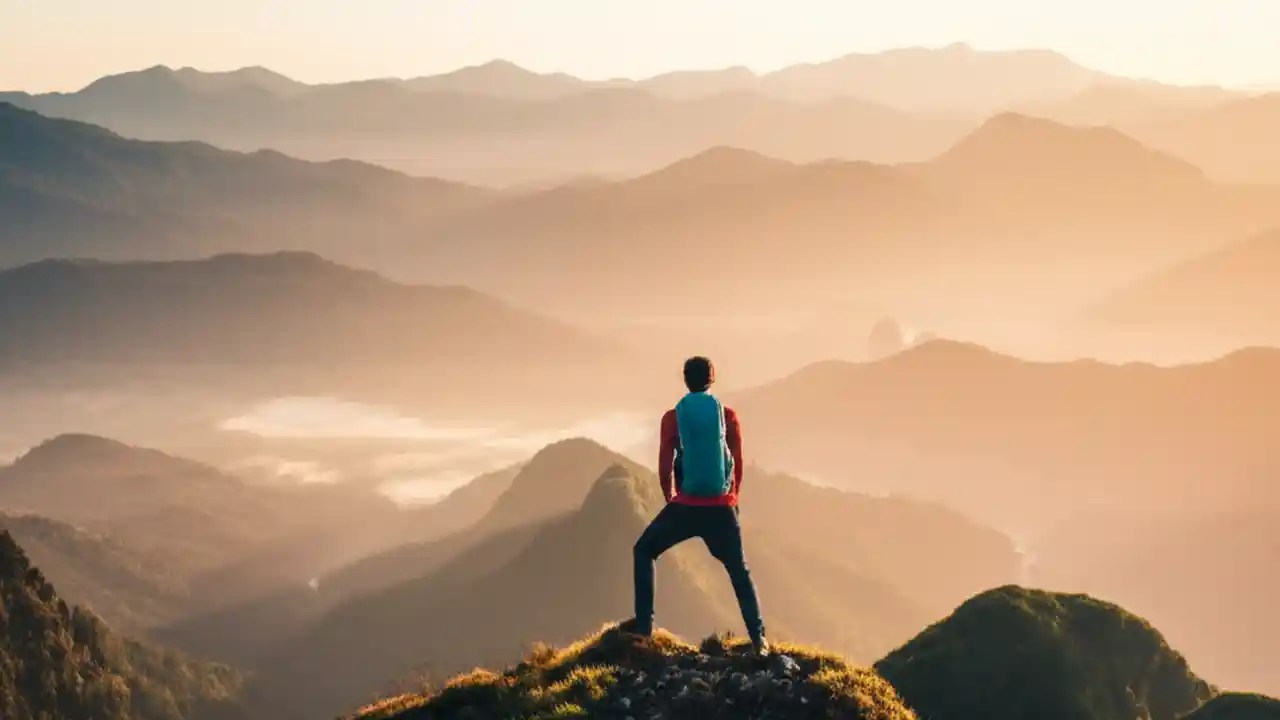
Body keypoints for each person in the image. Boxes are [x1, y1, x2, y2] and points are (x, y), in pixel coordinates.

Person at [628, 356, 768, 656]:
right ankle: (760, 640)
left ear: (685, 380)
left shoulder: (673, 418)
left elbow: (665, 464)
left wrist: (672, 499)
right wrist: (733, 500)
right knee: (739, 571)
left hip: (687, 506)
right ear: (712, 379)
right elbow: (737, 463)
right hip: (721, 508)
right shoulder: (727, 416)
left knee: (644, 550)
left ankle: (643, 631)